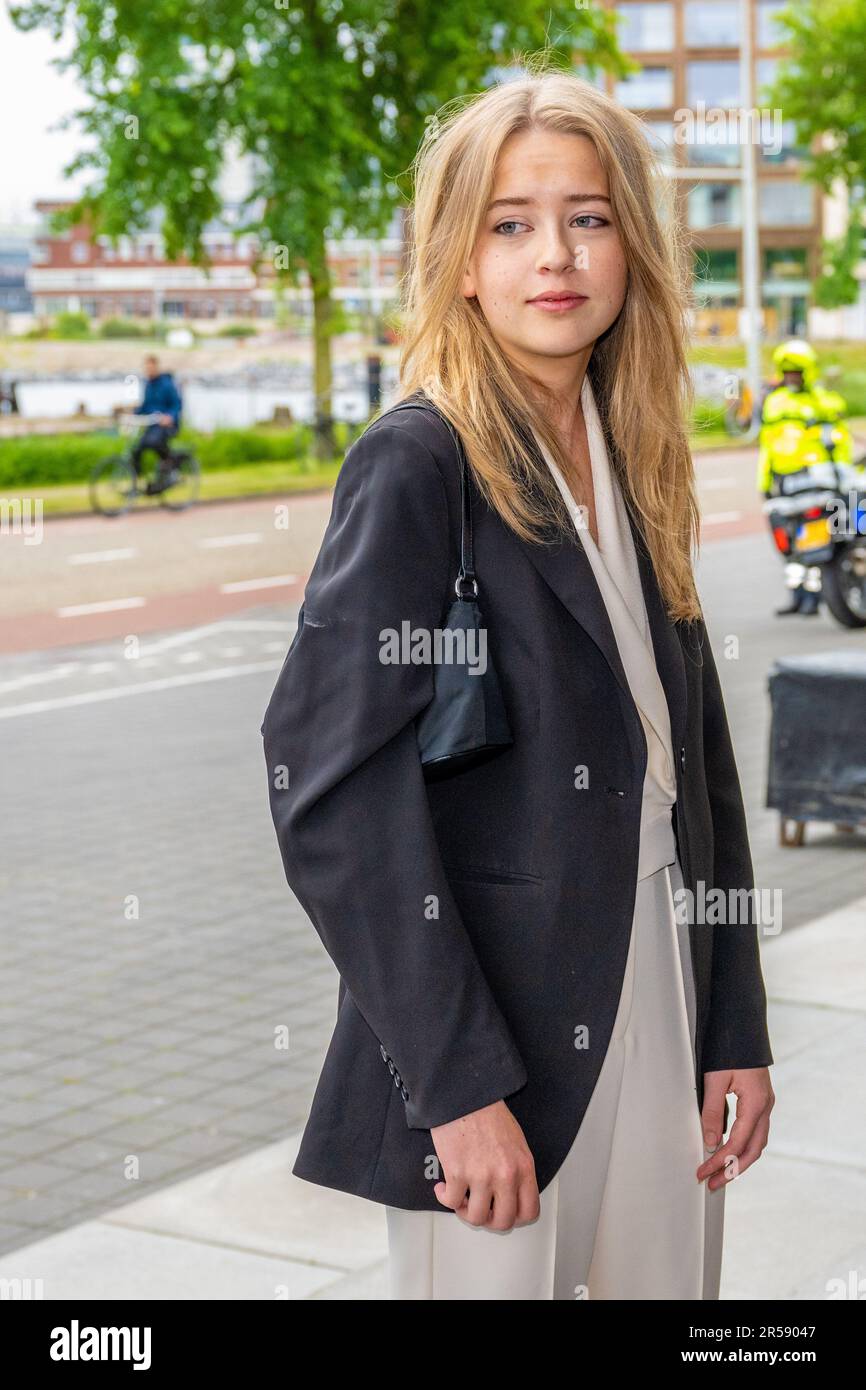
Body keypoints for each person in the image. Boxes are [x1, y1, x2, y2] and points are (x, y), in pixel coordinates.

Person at [260, 68, 775, 1301]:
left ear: (630, 245)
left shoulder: (632, 451)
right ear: (461, 259)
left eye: (588, 216)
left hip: (658, 960)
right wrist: (453, 1085)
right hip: (496, 1024)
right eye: (510, 222)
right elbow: (329, 793)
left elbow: (693, 763)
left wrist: (731, 1025)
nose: (555, 253)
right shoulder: (418, 461)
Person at [758, 339, 853, 616]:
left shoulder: (824, 400)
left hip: (818, 483)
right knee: (791, 546)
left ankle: (814, 597)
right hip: (785, 485)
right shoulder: (775, 402)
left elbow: (840, 438)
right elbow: (768, 446)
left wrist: (840, 474)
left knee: (820, 542)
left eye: (796, 372)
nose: (791, 378)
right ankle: (798, 597)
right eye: (787, 373)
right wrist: (764, 483)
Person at [131, 354, 183, 494]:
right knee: (136, 449)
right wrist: (132, 413)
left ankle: (171, 465)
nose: (149, 370)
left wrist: (170, 416)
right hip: (152, 425)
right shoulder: (148, 385)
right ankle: (137, 482)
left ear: (156, 367)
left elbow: (177, 403)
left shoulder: (167, 384)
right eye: (146, 368)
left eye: (151, 367)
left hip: (167, 426)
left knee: (154, 442)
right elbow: (145, 406)